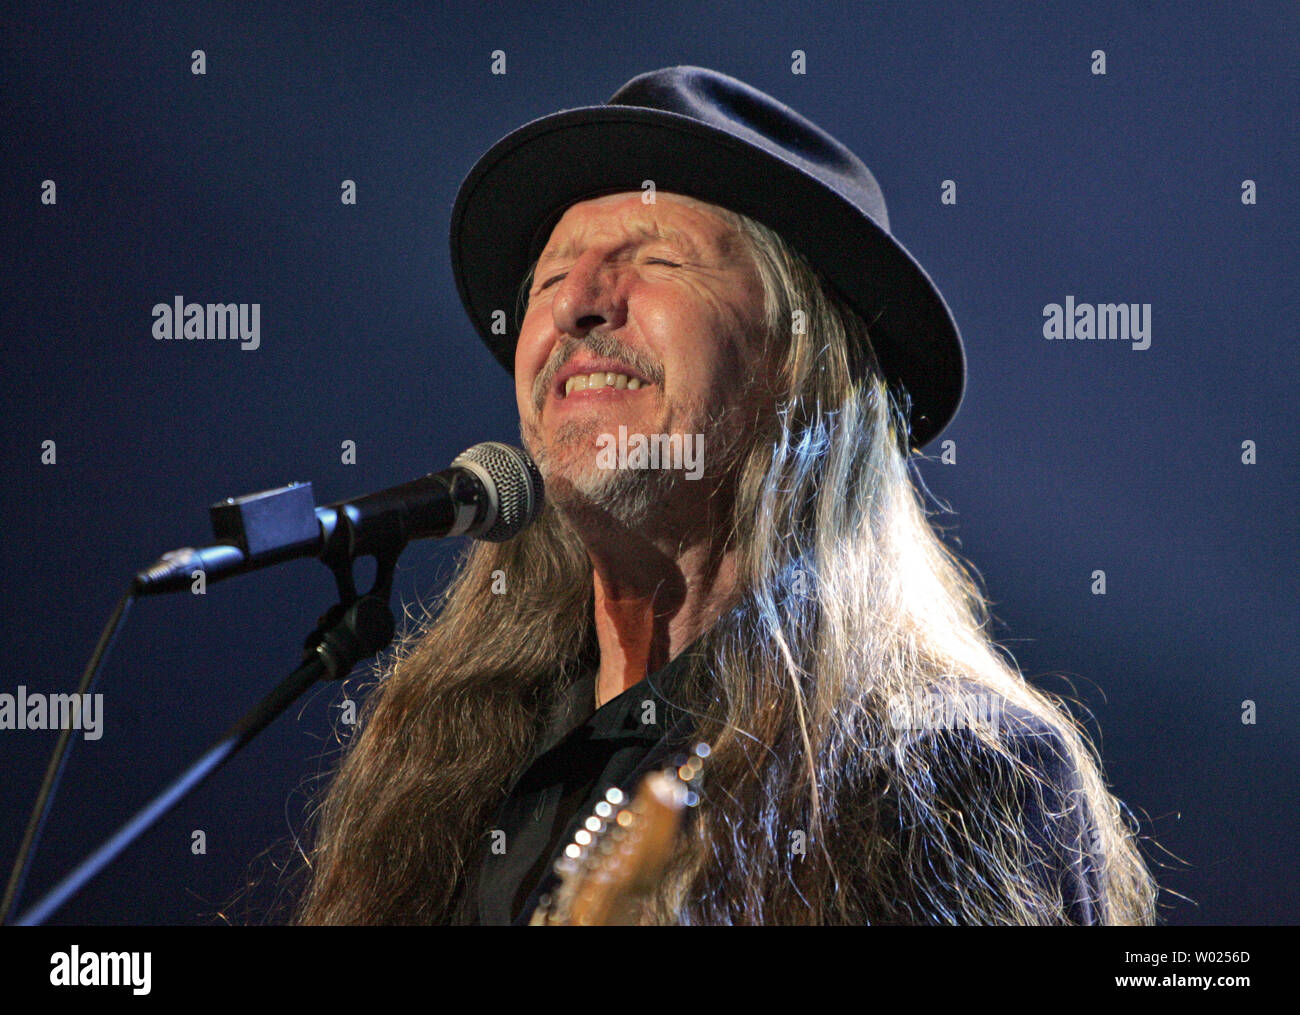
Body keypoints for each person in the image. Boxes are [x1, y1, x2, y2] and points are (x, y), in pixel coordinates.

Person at [293, 66, 1157, 925]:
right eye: (550, 282)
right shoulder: (446, 769)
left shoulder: (952, 773)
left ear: (801, 363)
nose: (576, 307)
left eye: (656, 258)